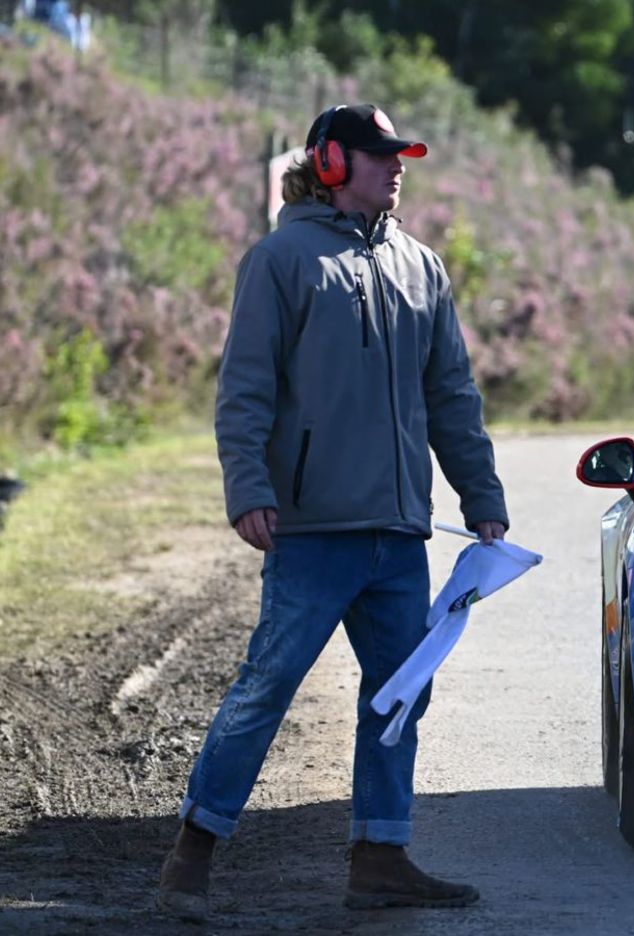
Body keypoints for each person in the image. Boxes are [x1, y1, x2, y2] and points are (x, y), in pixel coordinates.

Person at [157, 103, 509, 921]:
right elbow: (242, 391)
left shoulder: (423, 266)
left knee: (400, 696)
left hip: (398, 535)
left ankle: (380, 857)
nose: (398, 166)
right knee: (266, 688)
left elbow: (451, 395)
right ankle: (191, 857)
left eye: (402, 155)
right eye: (381, 155)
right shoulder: (279, 260)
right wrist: (248, 488)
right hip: (312, 531)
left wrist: (482, 497)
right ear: (331, 161)